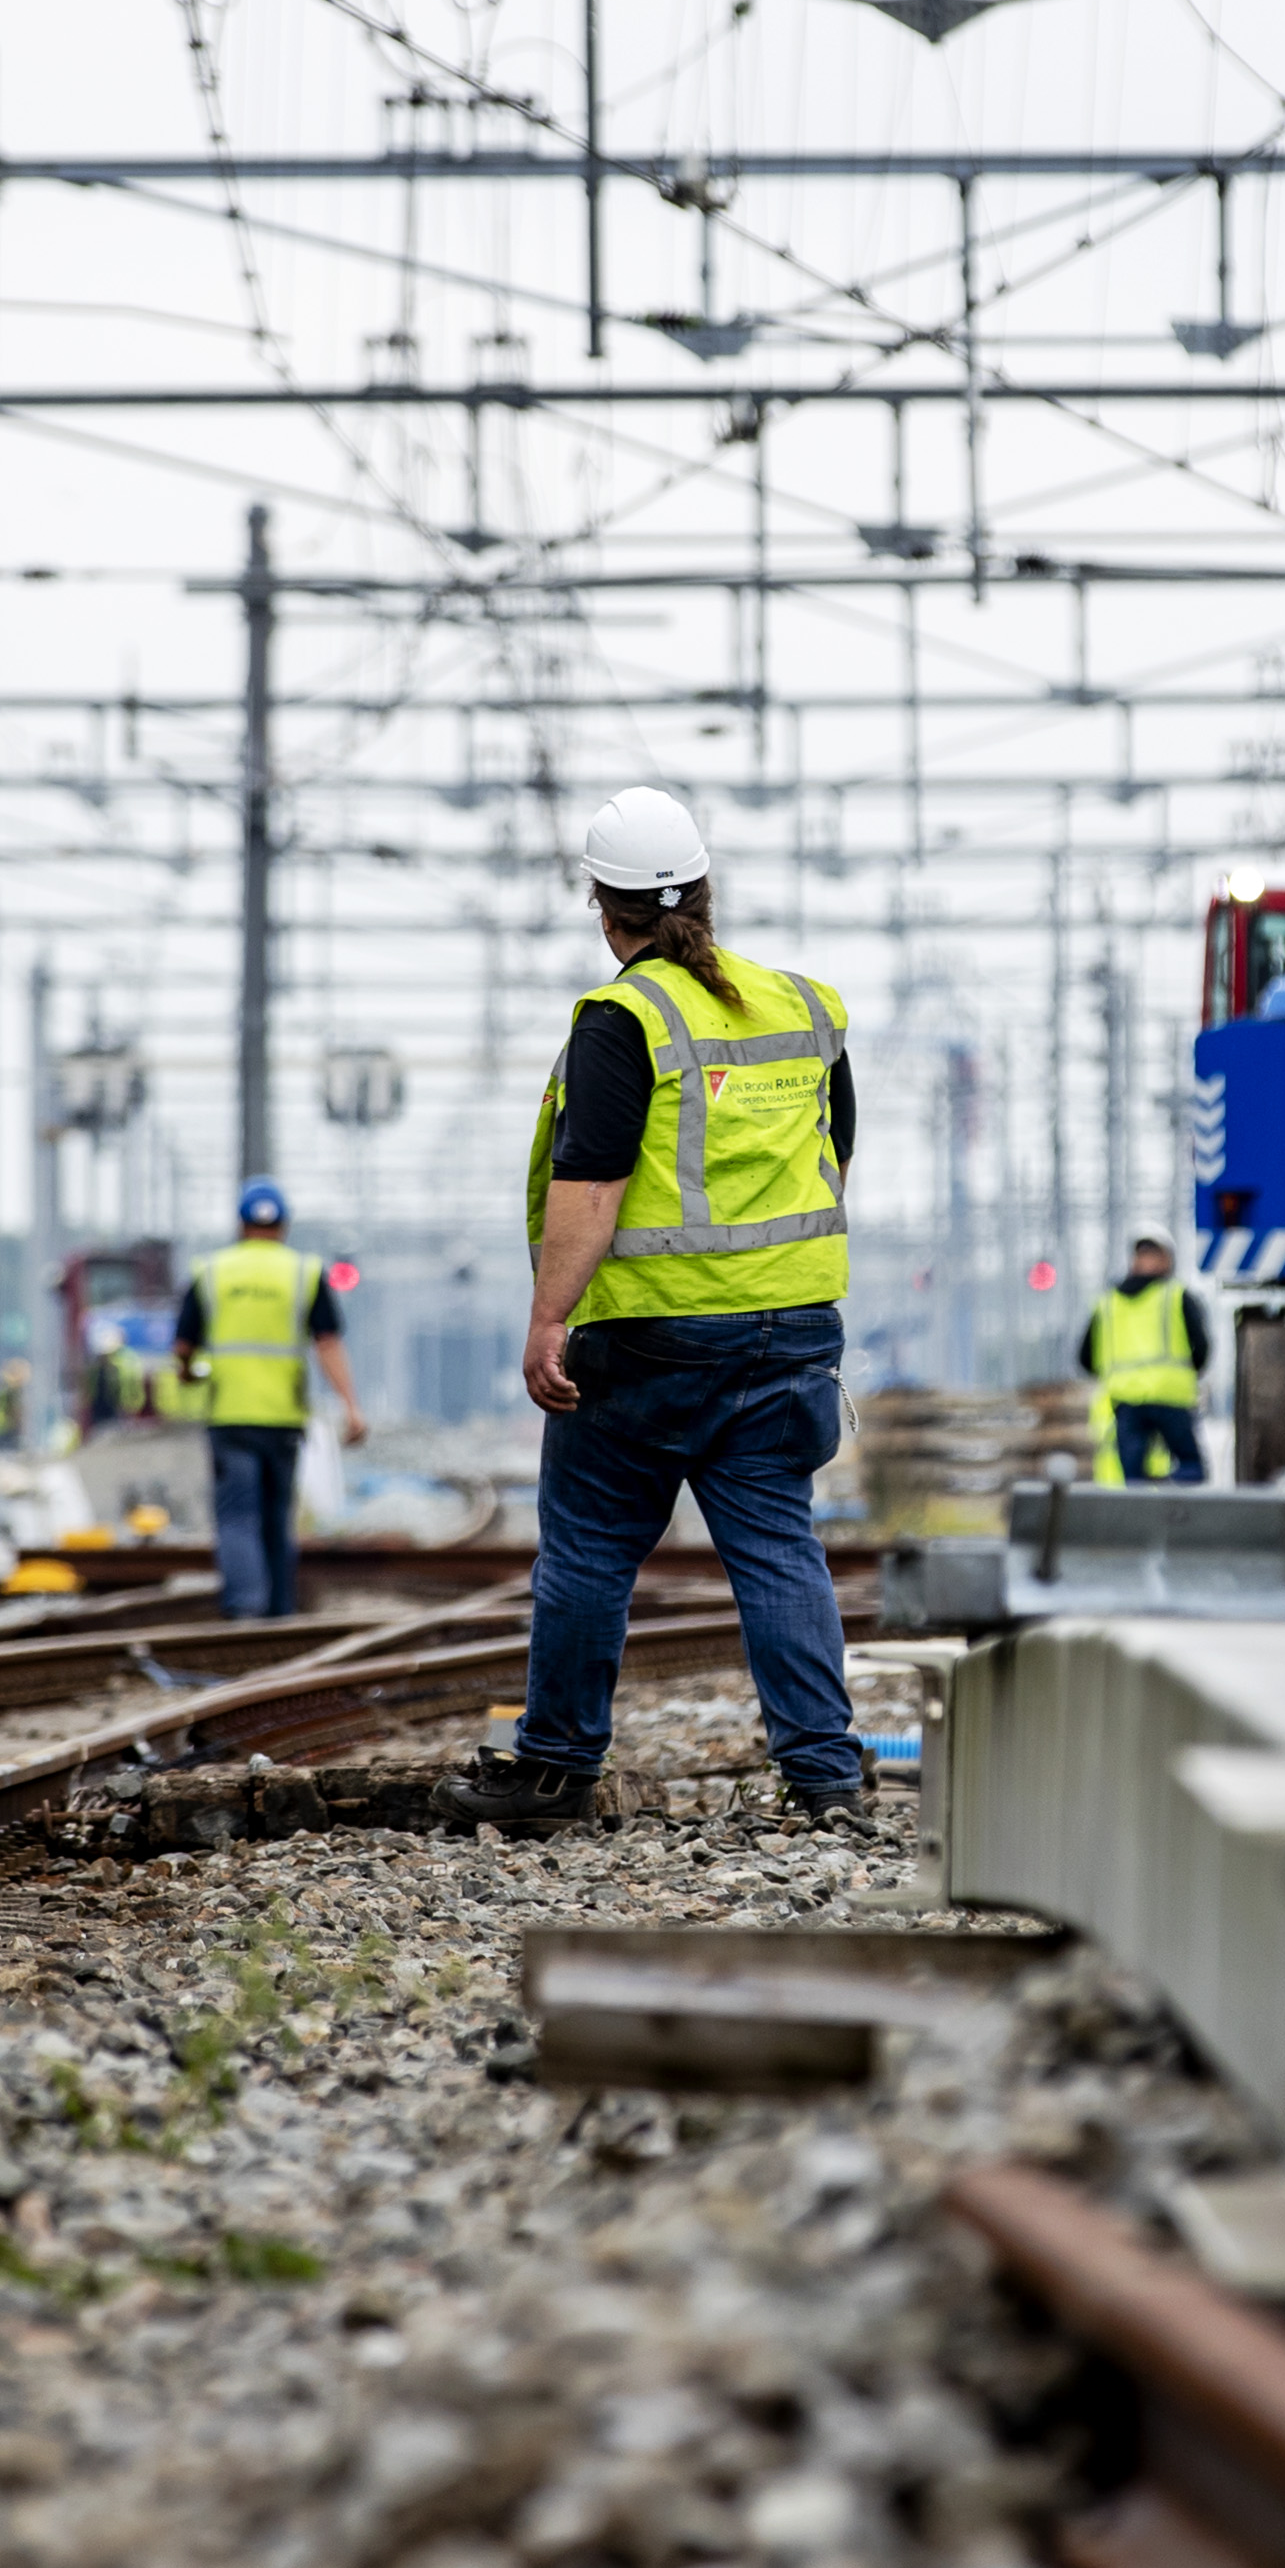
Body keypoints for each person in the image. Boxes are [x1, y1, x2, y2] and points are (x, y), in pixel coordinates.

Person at [437, 786, 870, 1835]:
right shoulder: (802, 1005)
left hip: (649, 1344)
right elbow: (836, 1146)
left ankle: (554, 1769)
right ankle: (825, 1778)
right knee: (777, 1543)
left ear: (604, 908)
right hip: (791, 1330)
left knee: (588, 1546)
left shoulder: (624, 1020)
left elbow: (593, 1183)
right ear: (706, 893)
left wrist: (549, 1321)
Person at [171, 1181, 367, 1619]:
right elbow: (328, 1344)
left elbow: (183, 1349)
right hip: (282, 1417)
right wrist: (351, 1407)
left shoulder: (211, 1272)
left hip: (230, 1415)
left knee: (239, 1515)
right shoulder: (304, 1272)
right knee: (278, 1517)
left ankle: (246, 1609)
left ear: (241, 1224)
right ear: (284, 1225)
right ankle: (279, 1612)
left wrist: (189, 1374)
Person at [1081, 1231, 1211, 1483]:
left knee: (1132, 1475)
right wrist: (1185, 1373)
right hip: (1171, 1396)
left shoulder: (1107, 1303)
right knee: (1191, 1467)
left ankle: (1141, 1511)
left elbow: (1085, 1358)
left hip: (1126, 1399)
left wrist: (1116, 1375)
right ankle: (1171, 1499)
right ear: (1167, 1260)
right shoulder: (1176, 1295)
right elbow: (1202, 1347)